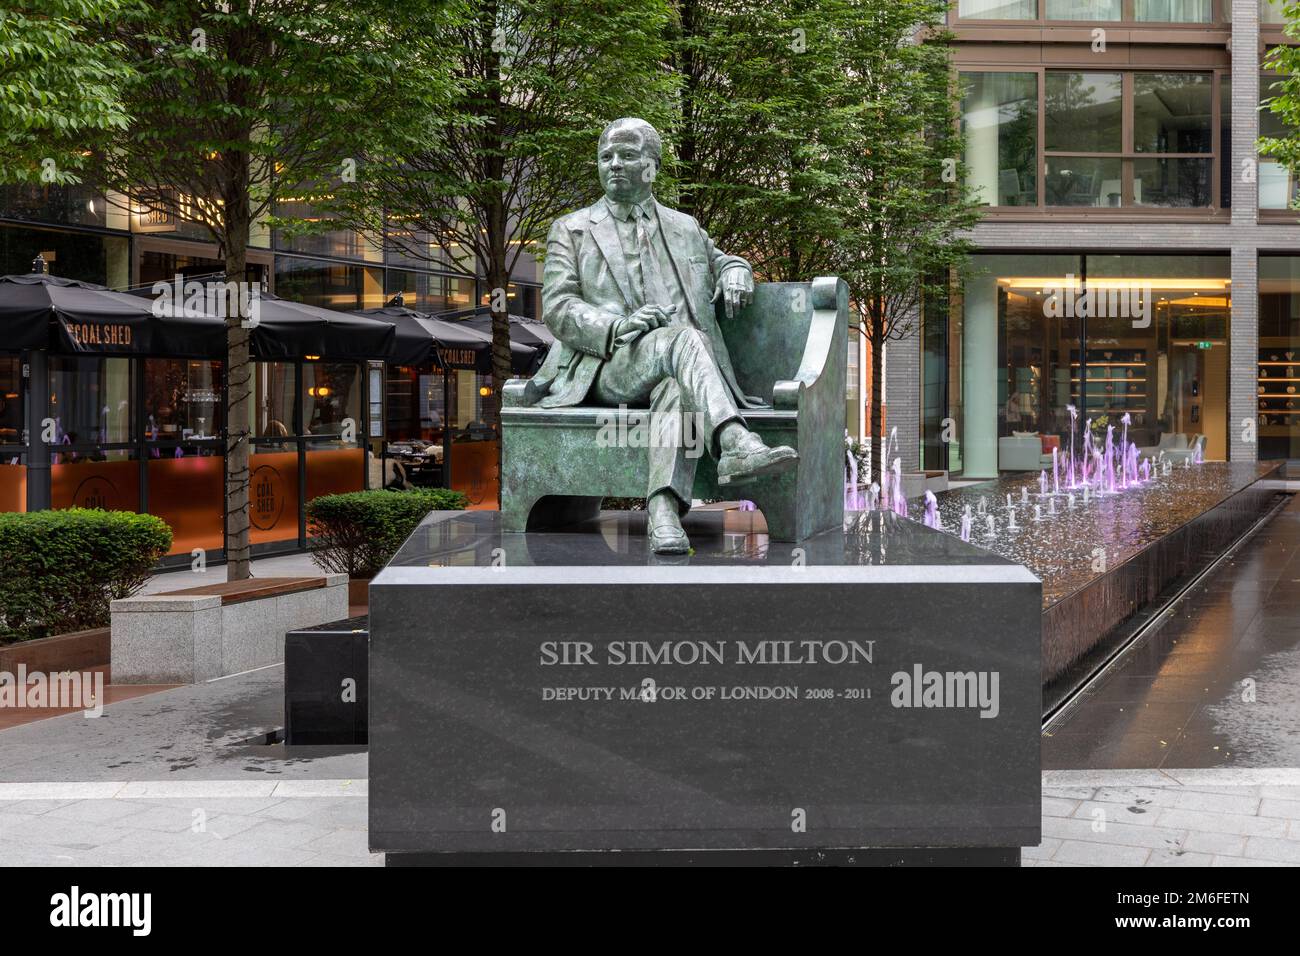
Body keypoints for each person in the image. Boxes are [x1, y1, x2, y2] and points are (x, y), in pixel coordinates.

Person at [528, 117, 798, 553]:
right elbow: (558, 308)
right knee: (684, 340)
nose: (614, 164)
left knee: (675, 386)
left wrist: (736, 272)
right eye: (606, 157)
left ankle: (664, 514)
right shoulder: (572, 229)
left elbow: (723, 260)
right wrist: (616, 326)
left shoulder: (684, 228)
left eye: (627, 155)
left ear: (652, 167)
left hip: (675, 370)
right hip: (608, 366)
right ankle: (734, 441)